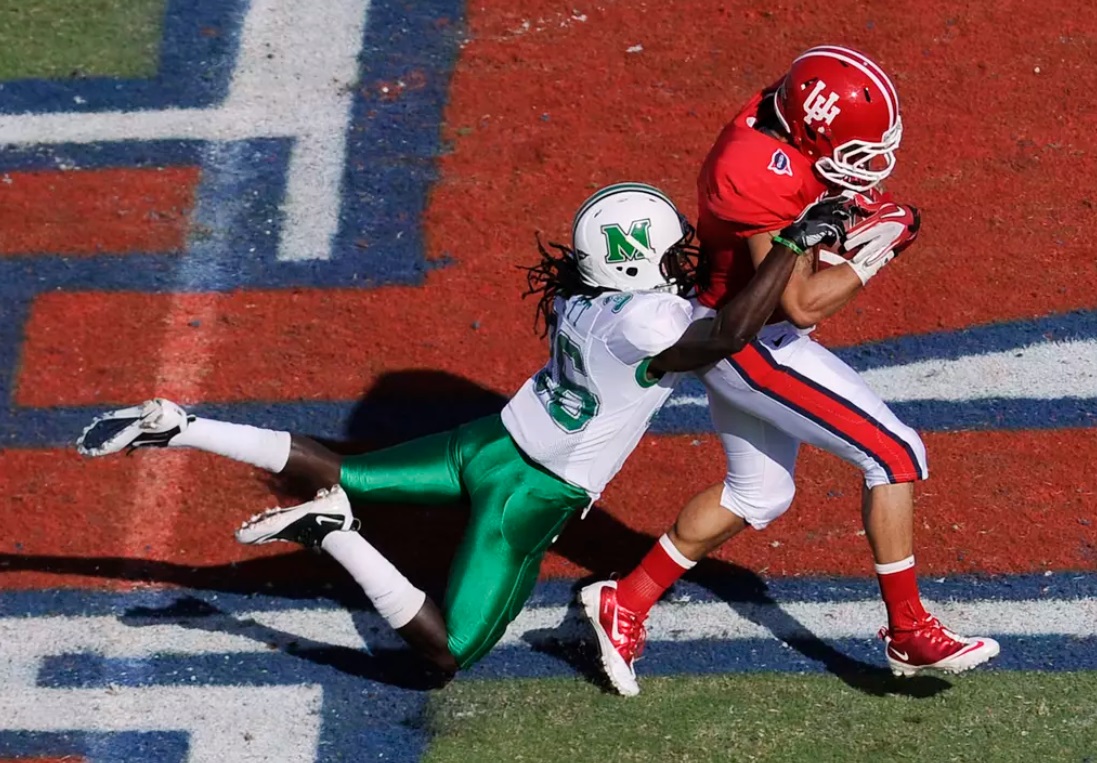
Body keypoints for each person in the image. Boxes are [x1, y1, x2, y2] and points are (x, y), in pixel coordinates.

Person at [76, 182, 848, 682]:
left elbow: (701, 316)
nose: (679, 259)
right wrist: (789, 247)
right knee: (447, 650)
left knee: (342, 467)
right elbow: (728, 332)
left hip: (488, 441)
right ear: (637, 261)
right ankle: (334, 533)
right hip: (530, 492)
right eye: (667, 251)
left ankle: (180, 425)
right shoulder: (652, 320)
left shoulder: (579, 298)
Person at [580, 46, 999, 697]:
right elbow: (800, 300)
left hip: (739, 328)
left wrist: (846, 221)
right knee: (894, 453)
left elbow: (809, 213)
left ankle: (624, 600)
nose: (867, 166)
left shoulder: (781, 119)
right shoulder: (755, 167)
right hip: (750, 342)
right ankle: (908, 630)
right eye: (855, 152)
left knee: (759, 494)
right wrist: (875, 253)